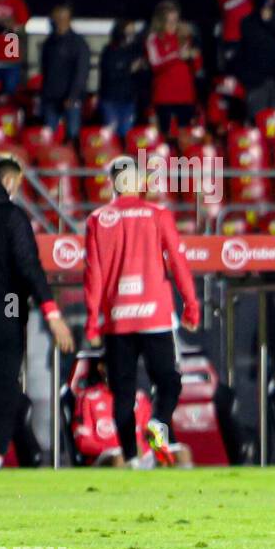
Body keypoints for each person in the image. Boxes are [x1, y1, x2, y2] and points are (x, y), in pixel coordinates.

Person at [83, 157, 201, 467]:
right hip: (155, 316)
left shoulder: (98, 219)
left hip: (117, 319)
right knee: (169, 381)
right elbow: (178, 262)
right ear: (137, 182)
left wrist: (92, 321)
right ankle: (157, 422)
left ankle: (133, 460)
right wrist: (191, 305)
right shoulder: (158, 214)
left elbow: (92, 274)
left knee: (122, 392)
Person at [0, 154, 74, 471]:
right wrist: (51, 313)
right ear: (9, 182)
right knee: (6, 394)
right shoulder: (12, 217)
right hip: (4, 320)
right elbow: (28, 268)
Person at [72, 353, 193, 468]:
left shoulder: (140, 398)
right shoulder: (88, 398)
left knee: (182, 452)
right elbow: (83, 443)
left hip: (141, 457)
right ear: (102, 368)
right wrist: (125, 448)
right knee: (122, 456)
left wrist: (159, 447)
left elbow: (153, 435)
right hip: (105, 459)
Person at [145, 1, 201, 135]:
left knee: (186, 137)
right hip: (165, 98)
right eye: (169, 21)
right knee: (167, 136)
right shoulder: (154, 39)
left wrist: (194, 56)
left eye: (175, 20)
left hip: (185, 96)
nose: (173, 24)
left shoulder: (184, 37)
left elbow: (197, 68)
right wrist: (177, 55)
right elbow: (155, 64)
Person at [235, 0, 275, 117]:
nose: (265, 1)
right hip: (256, 82)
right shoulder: (247, 22)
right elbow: (253, 44)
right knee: (258, 119)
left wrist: (270, 21)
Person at [38, 4, 90, 141]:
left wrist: (73, 96)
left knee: (72, 134)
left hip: (71, 98)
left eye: (62, 18)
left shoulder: (78, 43)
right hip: (51, 97)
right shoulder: (49, 43)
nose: (58, 21)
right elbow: (45, 69)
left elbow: (82, 72)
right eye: (56, 18)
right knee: (48, 135)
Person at [98, 20, 145, 140]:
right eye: (127, 32)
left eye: (132, 32)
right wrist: (128, 69)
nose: (130, 35)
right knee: (111, 134)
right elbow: (109, 74)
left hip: (128, 99)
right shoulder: (109, 51)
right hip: (111, 99)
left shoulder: (136, 51)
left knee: (126, 133)